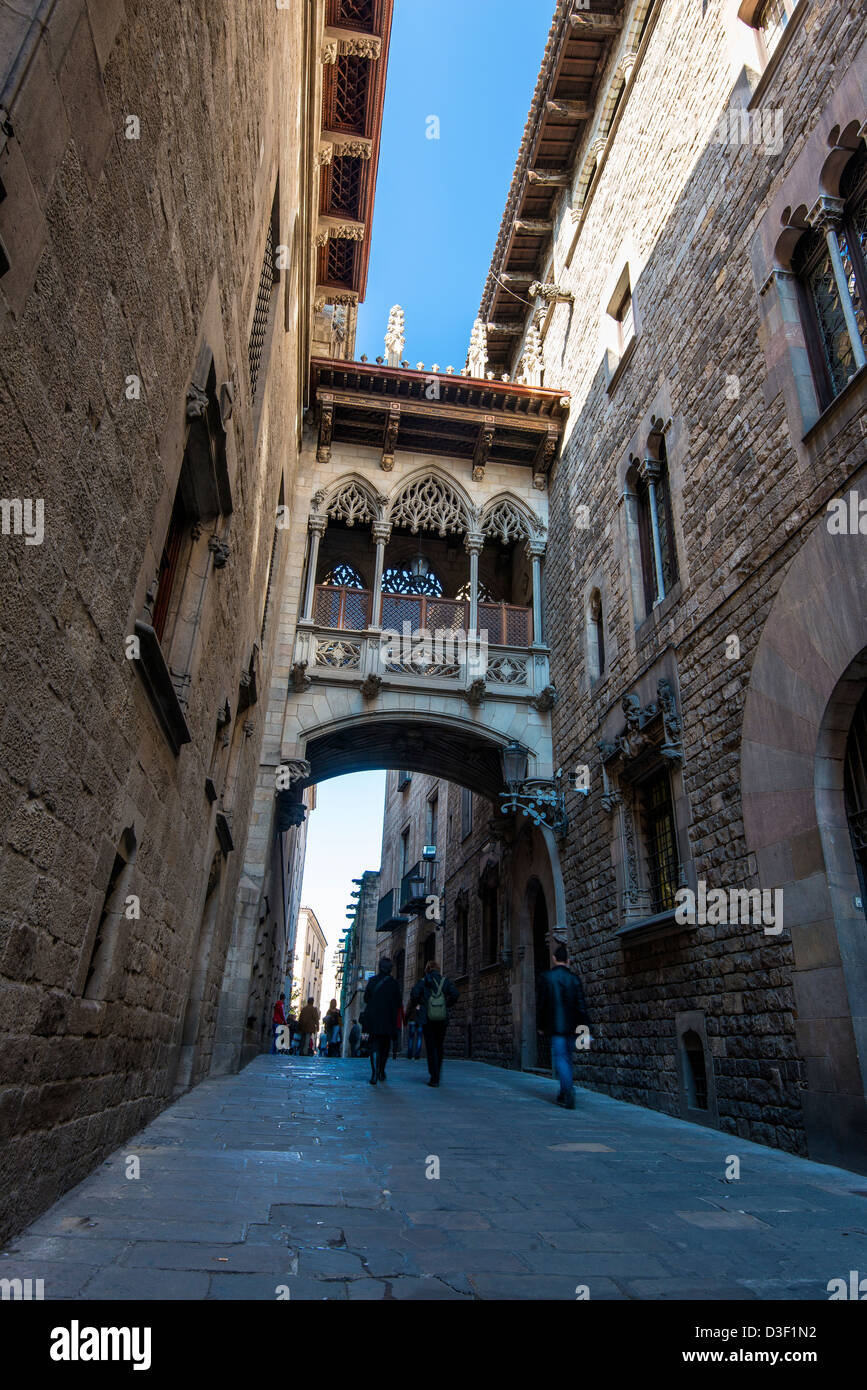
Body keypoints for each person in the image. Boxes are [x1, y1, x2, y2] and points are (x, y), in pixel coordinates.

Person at [536, 943, 590, 1110]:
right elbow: (581, 1005)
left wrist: (541, 1025)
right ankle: (564, 1090)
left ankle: (567, 1091)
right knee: (568, 1059)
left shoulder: (546, 978)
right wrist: (585, 1028)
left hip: (556, 1027)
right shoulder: (574, 979)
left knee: (560, 1059)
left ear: (553, 959)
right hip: (573, 1027)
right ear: (568, 960)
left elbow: (542, 1004)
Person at [409, 960, 458, 1088]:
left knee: (431, 1047)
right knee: (439, 1046)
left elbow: (414, 994)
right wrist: (446, 1005)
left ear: (427, 970)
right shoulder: (444, 981)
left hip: (427, 1019)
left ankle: (433, 1077)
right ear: (437, 969)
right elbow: (455, 994)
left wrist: (419, 1003)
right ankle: (437, 1074)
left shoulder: (423, 981)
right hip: (442, 1019)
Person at [362, 956, 401, 1085]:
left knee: (373, 1045)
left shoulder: (372, 981)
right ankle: (381, 1071)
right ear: (390, 969)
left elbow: (366, 998)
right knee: (385, 1047)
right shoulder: (394, 984)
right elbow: (398, 1003)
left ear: (379, 967)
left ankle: (374, 1073)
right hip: (388, 1020)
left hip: (373, 1019)